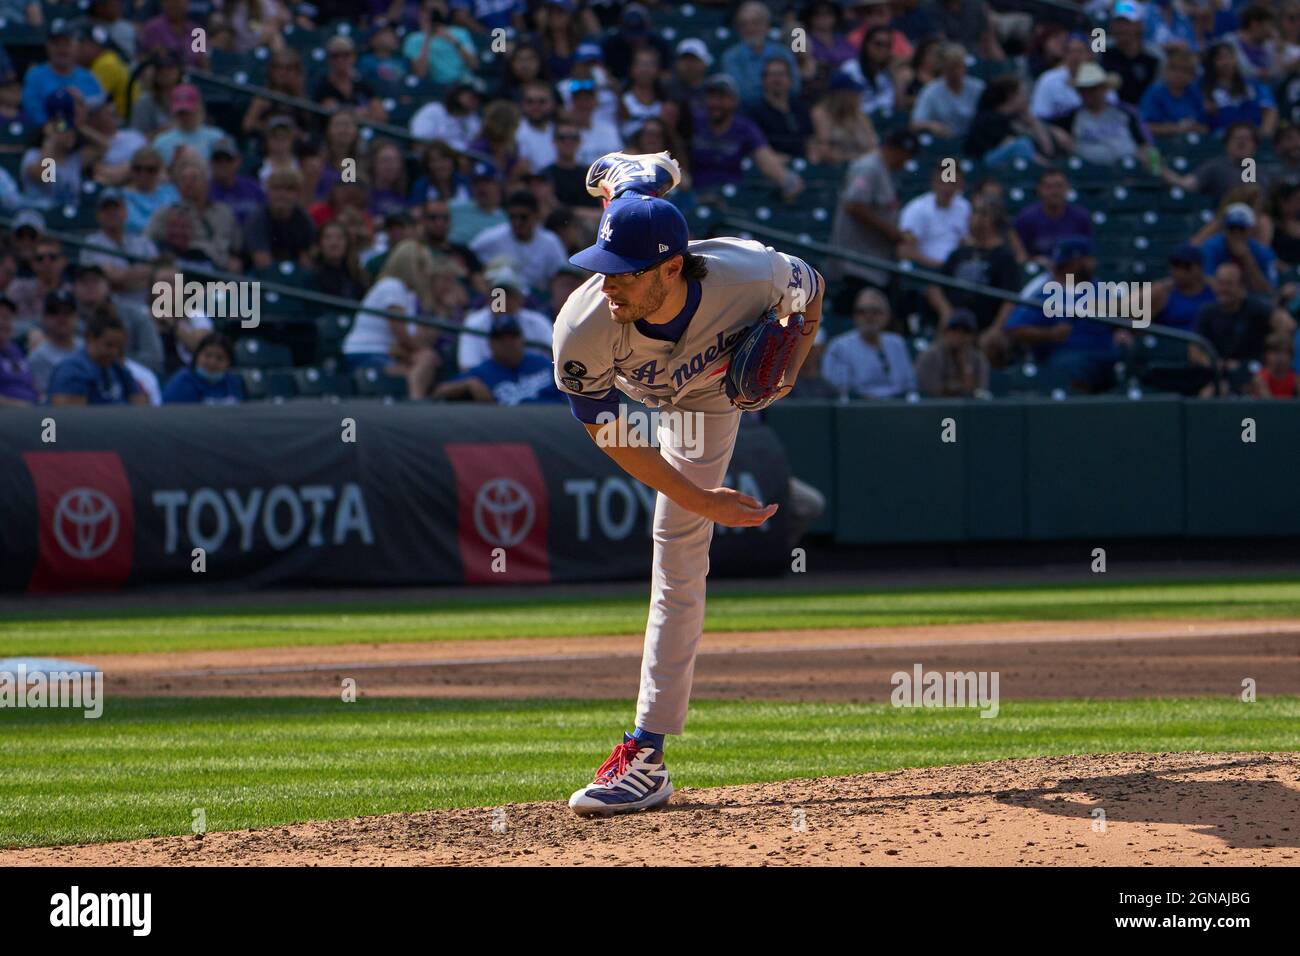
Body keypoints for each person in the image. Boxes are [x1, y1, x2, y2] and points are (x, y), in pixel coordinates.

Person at [553, 190, 824, 816]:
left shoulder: (751, 272)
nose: (607, 282)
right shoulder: (584, 324)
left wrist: (788, 372)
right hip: (644, 394)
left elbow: (813, 288)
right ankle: (629, 182)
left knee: (678, 553)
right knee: (683, 518)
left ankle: (647, 756)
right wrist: (703, 497)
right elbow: (611, 434)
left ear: (672, 267)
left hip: (705, 402)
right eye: (603, 267)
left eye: (623, 271)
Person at [1004, 236, 1132, 394]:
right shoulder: (1049, 292)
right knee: (1073, 366)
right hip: (1068, 357)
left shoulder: (1101, 288)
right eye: (1088, 259)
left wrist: (1122, 330)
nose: (1093, 264)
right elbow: (1014, 329)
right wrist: (1050, 334)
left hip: (1107, 354)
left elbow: (1129, 317)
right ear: (1077, 263)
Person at [341, 239, 442, 400]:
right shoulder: (392, 287)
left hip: (385, 353)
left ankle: (415, 400)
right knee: (425, 358)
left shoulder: (407, 294)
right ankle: (415, 402)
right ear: (412, 267)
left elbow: (410, 340)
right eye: (422, 268)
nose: (426, 274)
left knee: (425, 359)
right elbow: (403, 336)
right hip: (365, 354)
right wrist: (420, 351)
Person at [827, 127, 916, 298]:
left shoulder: (887, 170)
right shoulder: (869, 167)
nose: (905, 161)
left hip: (873, 263)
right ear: (893, 150)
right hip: (855, 263)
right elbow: (854, 205)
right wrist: (892, 232)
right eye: (903, 154)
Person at [1192, 261, 1286, 394]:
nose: (1224, 289)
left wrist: (1272, 343)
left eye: (1229, 284)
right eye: (1220, 283)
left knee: (1259, 385)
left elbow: (1286, 325)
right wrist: (1215, 363)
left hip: (1253, 371)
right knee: (1210, 392)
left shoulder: (1255, 307)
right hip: (1218, 374)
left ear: (1241, 286)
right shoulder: (1207, 312)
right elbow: (1194, 352)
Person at [435, 313, 563, 405]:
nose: (507, 343)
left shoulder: (542, 363)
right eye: (500, 339)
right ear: (490, 344)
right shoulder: (482, 373)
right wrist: (468, 384)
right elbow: (440, 391)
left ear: (521, 340)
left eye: (512, 337)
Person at [821, 287, 916, 398]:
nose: (869, 317)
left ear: (887, 315)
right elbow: (839, 391)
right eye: (862, 312)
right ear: (854, 316)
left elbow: (910, 385)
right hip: (859, 409)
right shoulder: (839, 346)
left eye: (875, 312)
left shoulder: (897, 343)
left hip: (898, 408)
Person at [457, 266, 553, 371]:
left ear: (520, 299)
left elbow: (557, 357)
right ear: (489, 298)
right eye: (497, 294)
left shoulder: (537, 322)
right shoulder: (474, 324)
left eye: (508, 295)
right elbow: (468, 368)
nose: (502, 300)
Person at [469, 191, 568, 292]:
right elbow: (468, 254)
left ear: (536, 215)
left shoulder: (550, 242)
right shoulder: (493, 238)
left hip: (539, 298)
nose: (517, 222)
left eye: (523, 217)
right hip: (504, 297)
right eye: (512, 217)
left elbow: (562, 275)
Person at [47, 307, 147, 406]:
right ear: (90, 338)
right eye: (109, 345)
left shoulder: (117, 368)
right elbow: (71, 418)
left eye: (119, 347)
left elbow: (141, 406)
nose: (115, 352)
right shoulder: (71, 370)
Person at [721, 1, 801, 108]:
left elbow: (795, 87)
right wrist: (775, 90)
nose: (750, 29)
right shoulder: (731, 57)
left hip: (782, 109)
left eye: (756, 23)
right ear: (738, 29)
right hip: (747, 113)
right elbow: (740, 93)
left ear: (767, 25)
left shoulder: (783, 53)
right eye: (744, 24)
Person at [898, 162, 971, 269]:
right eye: (943, 182)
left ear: (961, 185)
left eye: (953, 183)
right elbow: (904, 250)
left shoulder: (965, 207)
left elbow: (966, 241)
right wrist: (941, 267)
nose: (947, 188)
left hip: (954, 273)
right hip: (923, 271)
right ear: (934, 182)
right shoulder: (917, 209)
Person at [1014, 168, 1093, 266]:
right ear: (1040, 189)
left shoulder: (1081, 217)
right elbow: (1018, 255)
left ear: (1067, 188)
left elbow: (1088, 256)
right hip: (1038, 274)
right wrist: (1034, 260)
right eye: (1049, 187)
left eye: (1059, 186)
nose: (1054, 192)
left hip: (1071, 274)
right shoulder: (1026, 218)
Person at [243, 168, 316, 269]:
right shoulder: (257, 219)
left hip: (294, 274)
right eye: (277, 189)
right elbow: (262, 262)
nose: (282, 195)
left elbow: (307, 261)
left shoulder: (303, 219)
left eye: (289, 189)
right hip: (260, 276)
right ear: (268, 192)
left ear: (297, 194)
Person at [910, 42, 985, 139]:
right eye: (951, 67)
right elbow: (915, 124)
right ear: (943, 67)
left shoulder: (979, 87)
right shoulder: (931, 90)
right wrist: (932, 125)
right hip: (943, 144)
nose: (956, 71)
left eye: (959, 66)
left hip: (973, 142)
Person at [1200, 202, 1278, 294]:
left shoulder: (1263, 252)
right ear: (1224, 230)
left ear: (1250, 230)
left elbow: (1267, 290)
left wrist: (1247, 258)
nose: (1236, 234)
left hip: (1251, 301)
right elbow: (1207, 279)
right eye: (1232, 229)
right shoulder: (1211, 247)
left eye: (1241, 229)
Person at [747, 57, 813, 159]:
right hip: (768, 165)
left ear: (791, 80)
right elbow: (752, 146)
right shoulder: (753, 112)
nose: (776, 79)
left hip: (804, 163)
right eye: (772, 75)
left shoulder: (801, 109)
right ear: (764, 80)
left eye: (781, 74)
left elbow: (810, 139)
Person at [915, 309, 989, 397]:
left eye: (965, 331)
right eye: (954, 330)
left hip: (969, 410)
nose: (959, 335)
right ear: (946, 332)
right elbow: (931, 391)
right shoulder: (930, 356)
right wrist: (958, 387)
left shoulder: (978, 359)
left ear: (973, 336)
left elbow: (978, 393)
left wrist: (965, 366)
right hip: (934, 409)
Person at [1138, 46, 1209, 136]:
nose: (1179, 74)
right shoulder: (1155, 92)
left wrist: (1194, 128)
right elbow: (1145, 126)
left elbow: (1204, 127)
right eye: (1174, 69)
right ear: (1166, 71)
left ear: (1192, 76)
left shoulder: (1194, 92)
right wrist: (1177, 128)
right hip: (1163, 143)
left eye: (1185, 70)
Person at [24, 291, 80, 397]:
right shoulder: (38, 356)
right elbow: (44, 397)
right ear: (44, 317)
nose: (61, 318)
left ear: (76, 316)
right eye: (54, 312)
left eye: (67, 312)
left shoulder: (86, 347)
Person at [162, 332, 243, 404]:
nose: (212, 362)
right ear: (197, 356)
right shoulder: (181, 382)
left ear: (229, 363)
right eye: (208, 355)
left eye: (220, 358)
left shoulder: (233, 382)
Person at [1150, 244, 1216, 332]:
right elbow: (1131, 314)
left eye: (1186, 266)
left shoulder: (1214, 291)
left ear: (1199, 268)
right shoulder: (1163, 293)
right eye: (1176, 265)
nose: (1180, 271)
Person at [0, 295, 38, 406]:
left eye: (6, 317)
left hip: (33, 412)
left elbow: (30, 383)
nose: (2, 322)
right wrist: (23, 406)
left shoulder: (15, 349)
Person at [1251, 334, 1298, 398]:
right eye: (1275, 352)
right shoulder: (1260, 379)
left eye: (1285, 352)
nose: (1280, 357)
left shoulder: (1296, 380)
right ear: (1266, 355)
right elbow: (1270, 406)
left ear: (1291, 356)